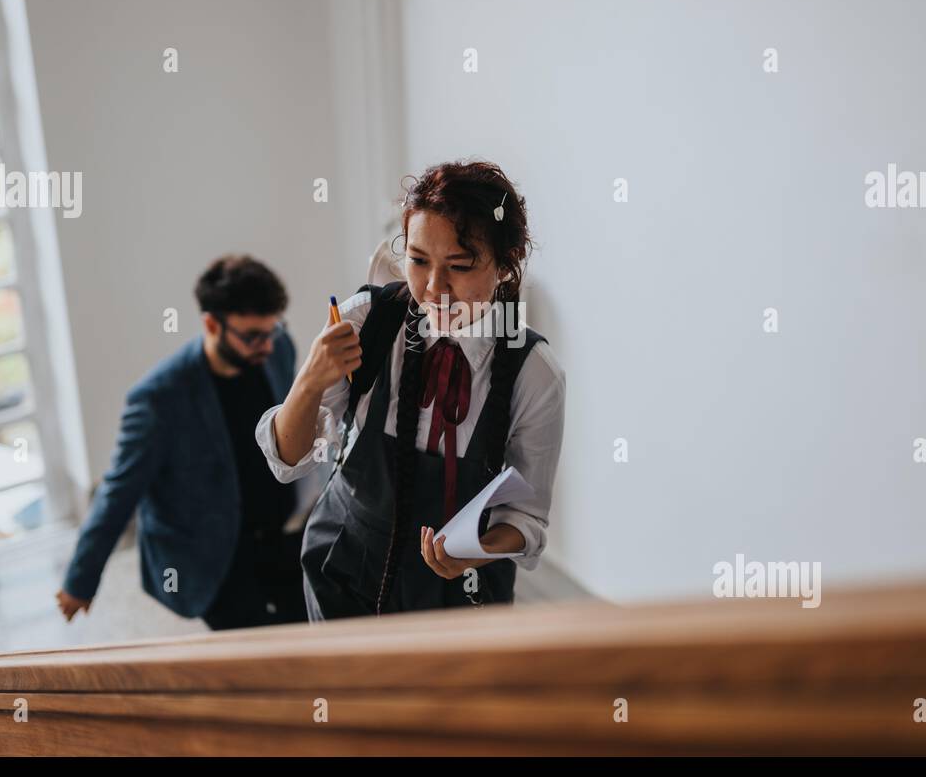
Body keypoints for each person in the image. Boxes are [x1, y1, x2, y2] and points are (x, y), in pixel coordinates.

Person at [256, 160, 566, 619]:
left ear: (505, 264)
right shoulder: (368, 320)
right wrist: (309, 381)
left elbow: (527, 519)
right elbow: (288, 460)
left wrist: (478, 550)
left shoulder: (534, 374)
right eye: (418, 261)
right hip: (346, 565)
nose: (435, 288)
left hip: (462, 591)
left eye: (459, 266)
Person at [56, 255, 309, 630]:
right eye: (253, 335)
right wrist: (80, 580)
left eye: (272, 330)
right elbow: (118, 492)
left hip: (282, 535)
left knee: (309, 628)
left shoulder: (278, 348)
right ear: (211, 324)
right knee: (254, 653)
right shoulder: (159, 399)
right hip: (215, 556)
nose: (267, 345)